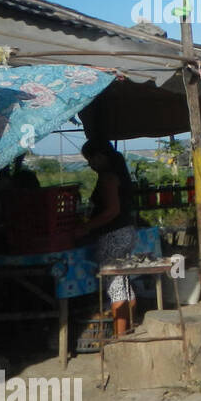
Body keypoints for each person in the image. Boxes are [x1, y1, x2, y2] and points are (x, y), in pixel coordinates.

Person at [74, 139, 137, 338]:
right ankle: (128, 330)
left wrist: (86, 227)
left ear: (100, 157)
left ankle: (120, 339)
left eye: (90, 159)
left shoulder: (108, 178)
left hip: (113, 235)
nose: (90, 165)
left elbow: (111, 211)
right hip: (126, 232)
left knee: (115, 285)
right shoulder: (120, 174)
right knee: (124, 283)